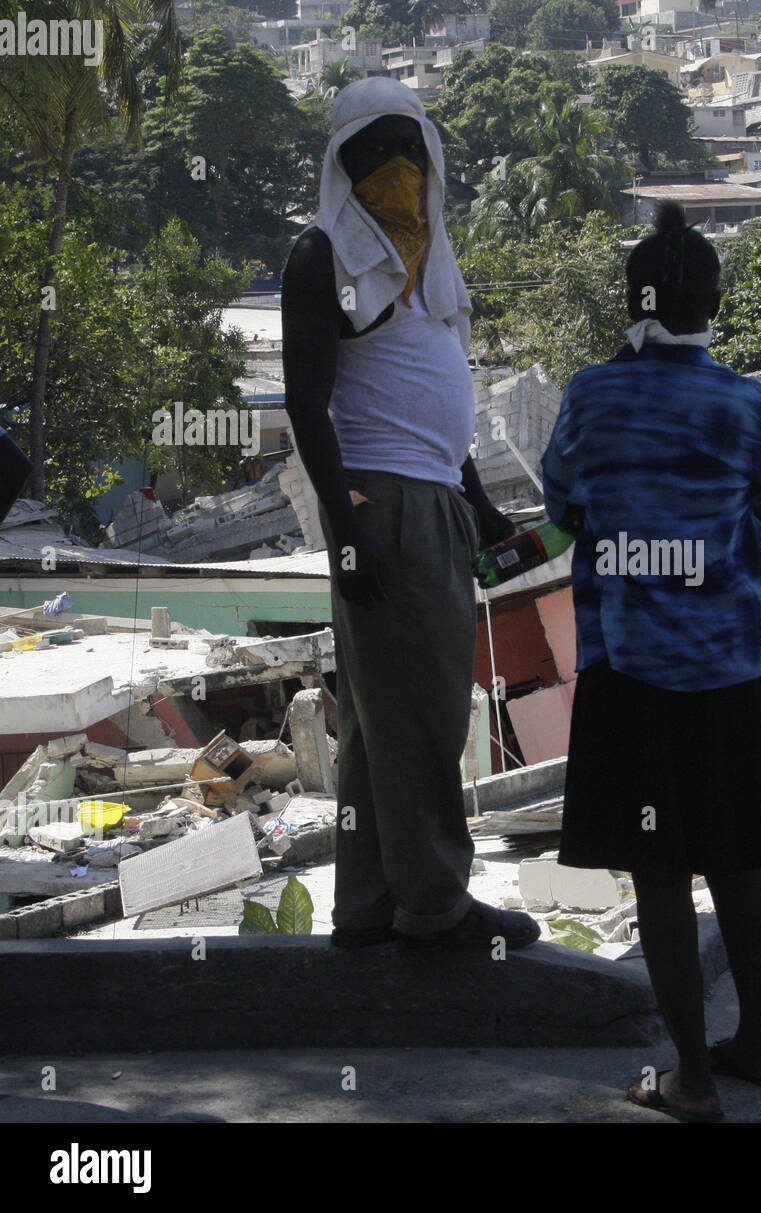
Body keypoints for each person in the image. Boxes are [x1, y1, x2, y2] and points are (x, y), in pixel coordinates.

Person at [541, 201, 761, 1122]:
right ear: (712, 306)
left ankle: (691, 1077)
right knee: (739, 859)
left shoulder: (591, 395)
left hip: (633, 673)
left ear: (633, 300)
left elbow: (563, 506)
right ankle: (759, 1045)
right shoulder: (744, 401)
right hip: (737, 668)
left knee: (660, 869)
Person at [281, 77, 539, 951]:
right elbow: (308, 405)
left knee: (380, 723)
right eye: (371, 149)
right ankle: (438, 908)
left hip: (434, 499)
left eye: (405, 145)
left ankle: (368, 908)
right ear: (341, 161)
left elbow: (429, 395)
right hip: (380, 506)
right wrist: (346, 530)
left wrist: (474, 497)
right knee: (425, 715)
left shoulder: (429, 257)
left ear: (428, 154)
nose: (391, 165)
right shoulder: (323, 254)